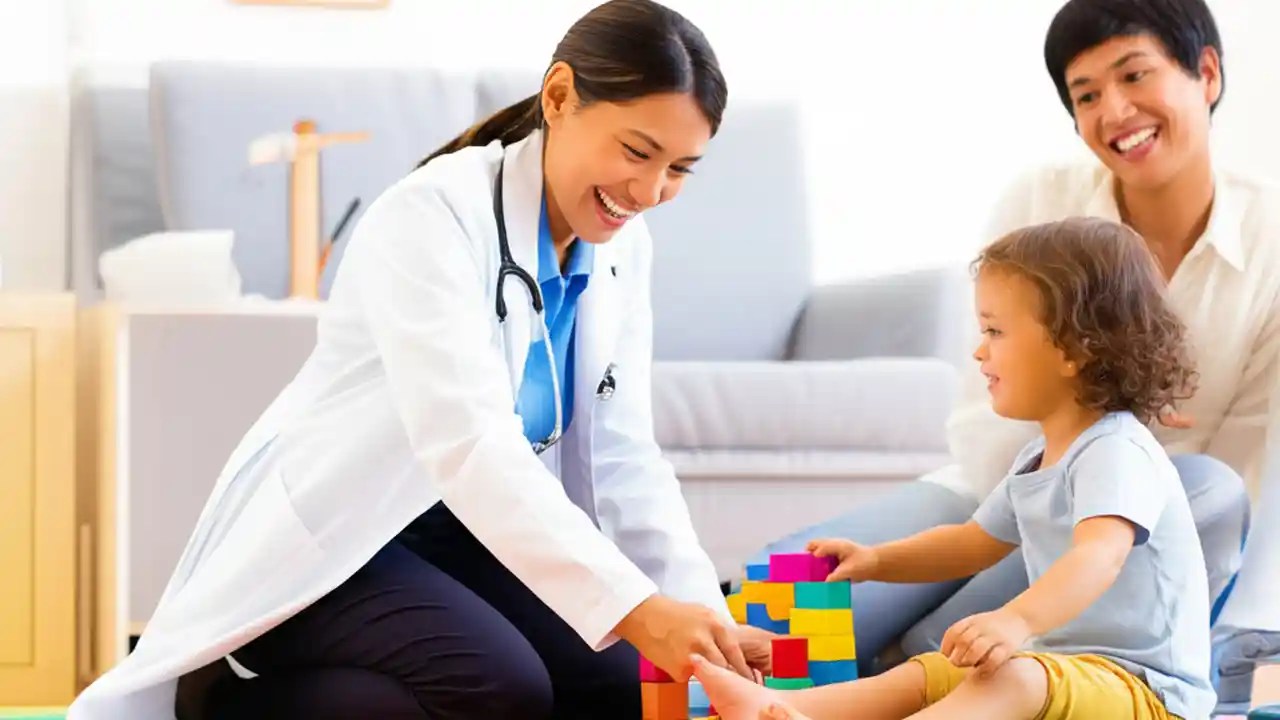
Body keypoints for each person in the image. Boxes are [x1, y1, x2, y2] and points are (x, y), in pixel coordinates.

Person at [68, 2, 773, 719]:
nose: (650, 193)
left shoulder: (622, 248)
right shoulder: (432, 216)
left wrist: (701, 623)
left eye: (679, 169)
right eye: (637, 152)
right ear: (559, 97)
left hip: (457, 537)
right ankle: (223, 701)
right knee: (502, 687)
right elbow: (469, 444)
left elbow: (625, 456)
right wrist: (638, 610)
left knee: (621, 681)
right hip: (343, 537)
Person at [753, 0, 1280, 683]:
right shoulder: (1041, 201)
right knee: (779, 611)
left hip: (1129, 519)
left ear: (1206, 73)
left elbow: (1246, 462)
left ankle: (924, 661)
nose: (1115, 111)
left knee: (1209, 488)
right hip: (997, 487)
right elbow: (985, 425)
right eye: (1085, 95)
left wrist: (1113, 430)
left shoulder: (1268, 240)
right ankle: (899, 658)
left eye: (1134, 75)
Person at [696, 216, 1216, 720]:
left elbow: (1100, 556)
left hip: (1149, 693)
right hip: (1068, 672)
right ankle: (788, 710)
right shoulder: (1038, 459)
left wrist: (1015, 620)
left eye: (995, 331)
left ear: (1074, 349)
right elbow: (971, 544)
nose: (979, 351)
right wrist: (876, 560)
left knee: (1015, 677)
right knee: (933, 671)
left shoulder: (1117, 450)